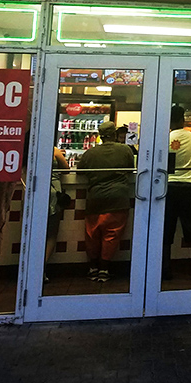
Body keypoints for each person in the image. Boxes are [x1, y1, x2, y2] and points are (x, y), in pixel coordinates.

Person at [76, 120, 135, 282]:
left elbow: (80, 172)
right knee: (112, 235)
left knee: (92, 234)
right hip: (118, 198)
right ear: (115, 134)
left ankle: (93, 267)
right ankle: (104, 269)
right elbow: (131, 169)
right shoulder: (125, 150)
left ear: (100, 136)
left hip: (95, 198)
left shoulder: (90, 153)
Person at [162, 105, 191, 280]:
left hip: (169, 188)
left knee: (166, 229)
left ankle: (165, 268)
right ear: (183, 119)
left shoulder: (165, 138)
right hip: (189, 187)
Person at [45, 145, 70, 280]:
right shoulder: (53, 150)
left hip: (32, 191)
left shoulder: (27, 148)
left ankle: (31, 266)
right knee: (51, 233)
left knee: (33, 231)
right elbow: (66, 170)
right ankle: (42, 268)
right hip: (54, 192)